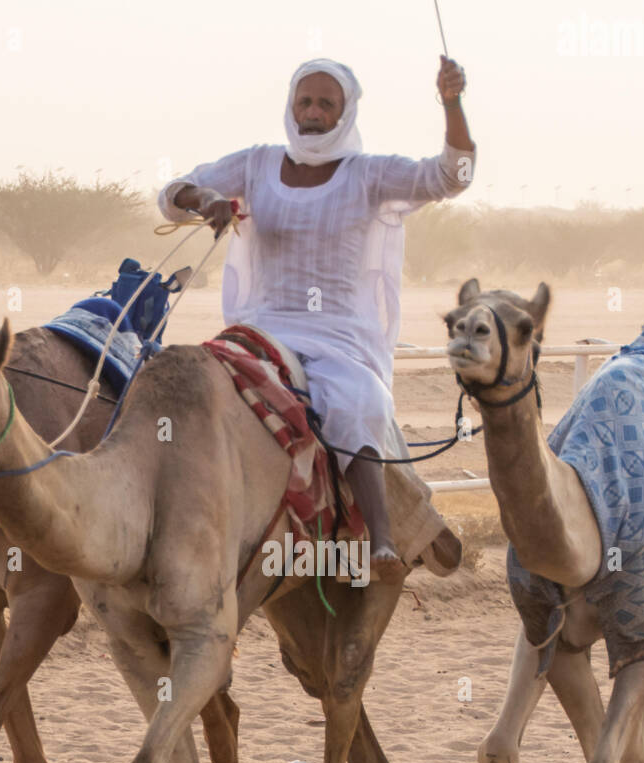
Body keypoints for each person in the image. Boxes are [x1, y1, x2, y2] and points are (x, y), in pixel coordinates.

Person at [158, 55, 475, 577]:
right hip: (260, 329)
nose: (312, 112)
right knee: (194, 384)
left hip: (340, 336)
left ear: (345, 113)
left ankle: (381, 541)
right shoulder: (257, 163)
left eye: (327, 103)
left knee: (357, 402)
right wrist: (207, 196)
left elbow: (451, 177)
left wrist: (451, 103)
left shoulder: (369, 174)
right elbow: (170, 197)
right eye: (304, 100)